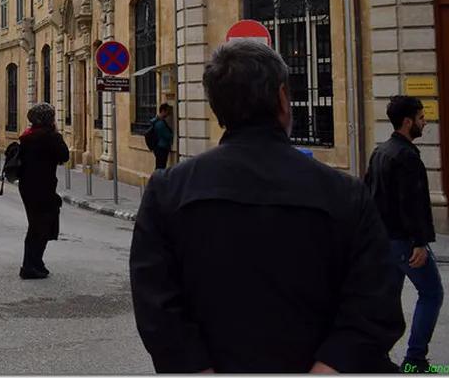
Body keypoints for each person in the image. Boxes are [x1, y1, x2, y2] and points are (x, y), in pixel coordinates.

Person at [129, 40, 403, 372]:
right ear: (283, 99)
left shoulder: (167, 190)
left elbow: (155, 300)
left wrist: (194, 367)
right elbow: (376, 298)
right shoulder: (345, 194)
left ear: (217, 110)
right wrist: (332, 365)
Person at [365, 95, 443, 374]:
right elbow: (413, 203)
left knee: (388, 297)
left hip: (384, 240)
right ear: (408, 122)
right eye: (421, 118)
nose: (425, 122)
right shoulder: (407, 156)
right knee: (432, 293)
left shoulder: (380, 151)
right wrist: (420, 243)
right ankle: (415, 358)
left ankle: (377, 354)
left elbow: (368, 196)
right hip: (404, 241)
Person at [17, 102, 69, 280]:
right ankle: (30, 266)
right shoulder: (50, 137)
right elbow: (64, 155)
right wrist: (56, 134)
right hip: (43, 187)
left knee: (36, 225)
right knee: (41, 226)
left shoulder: (27, 136)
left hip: (27, 186)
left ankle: (35, 263)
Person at [143, 103, 174, 170]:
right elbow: (167, 135)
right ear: (163, 111)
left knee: (159, 166)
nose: (168, 114)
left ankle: (157, 179)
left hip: (158, 147)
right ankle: (157, 180)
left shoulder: (156, 121)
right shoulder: (160, 123)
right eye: (167, 111)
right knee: (160, 167)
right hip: (161, 148)